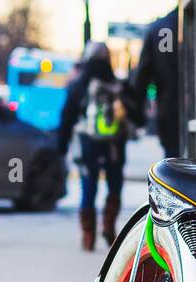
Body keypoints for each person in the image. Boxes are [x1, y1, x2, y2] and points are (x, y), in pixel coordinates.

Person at [57, 42, 130, 251]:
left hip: (87, 144)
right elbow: (132, 113)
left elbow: (67, 116)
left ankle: (88, 235)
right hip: (114, 146)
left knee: (88, 187)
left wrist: (61, 146)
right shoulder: (117, 84)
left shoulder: (78, 85)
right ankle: (109, 225)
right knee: (114, 185)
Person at [127, 9, 181, 158]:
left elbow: (142, 76)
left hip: (171, 113)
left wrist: (137, 115)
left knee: (174, 169)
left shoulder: (164, 29)